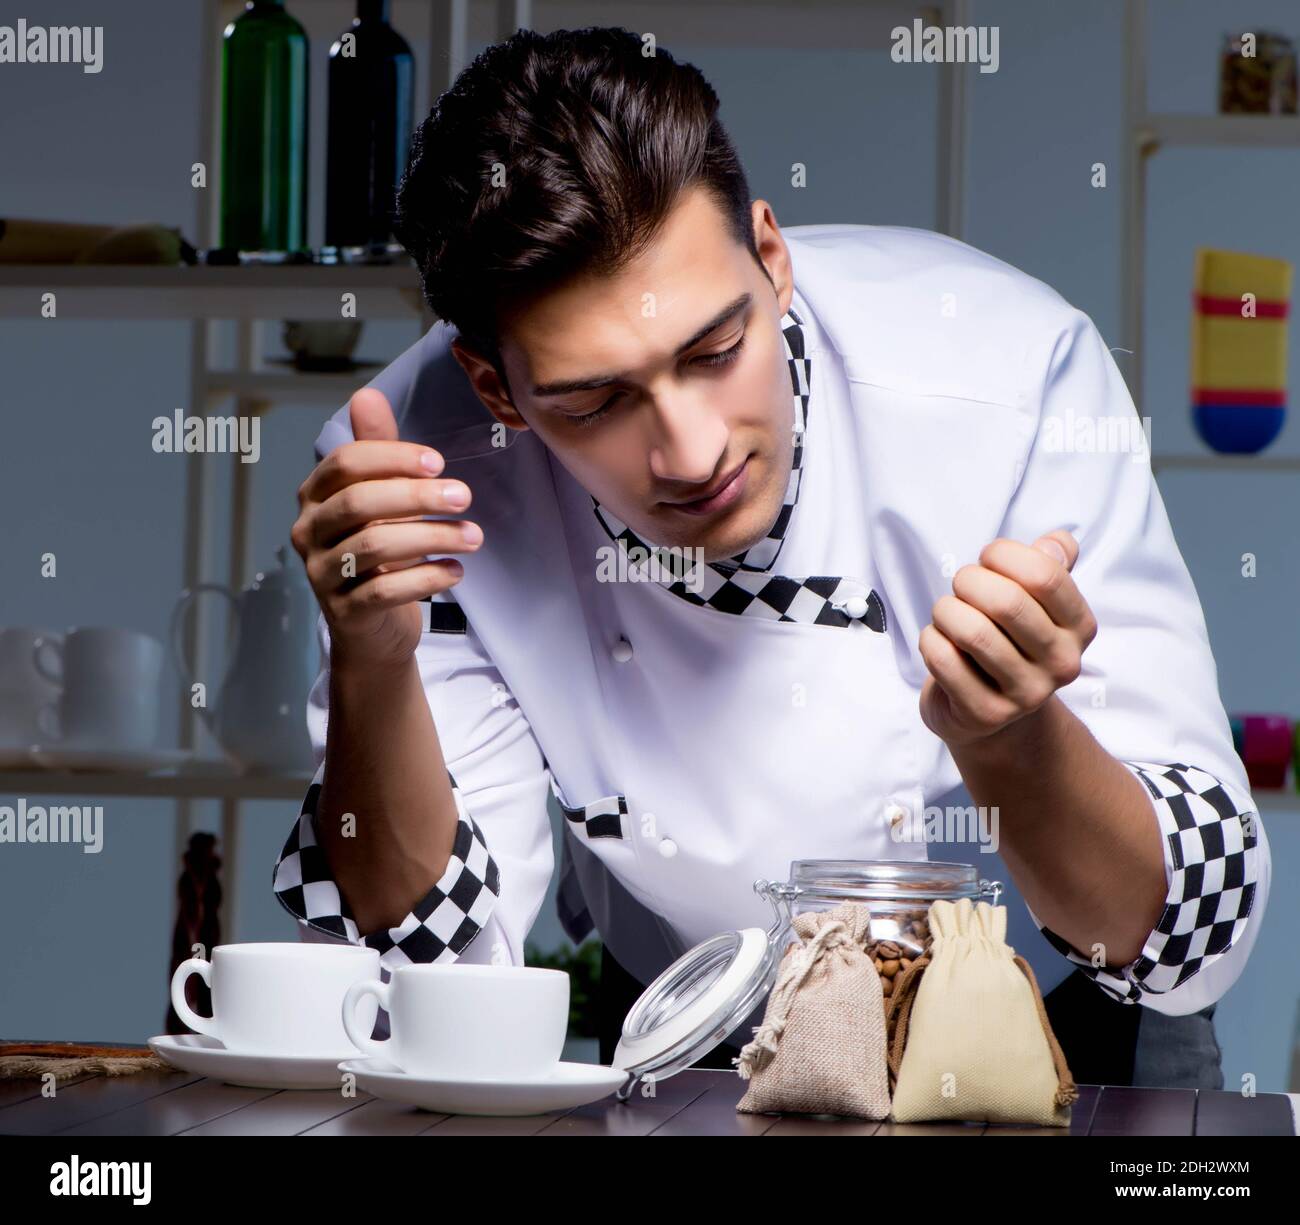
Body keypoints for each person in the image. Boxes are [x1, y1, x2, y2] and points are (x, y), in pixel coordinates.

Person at [272, 27, 1269, 1088]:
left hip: (1071, 1025)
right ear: (494, 388)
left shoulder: (1008, 375)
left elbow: (1180, 944)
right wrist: (371, 661)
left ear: (771, 254)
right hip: (705, 1045)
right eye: (595, 399)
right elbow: (420, 970)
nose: (691, 452)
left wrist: (1015, 738)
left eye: (714, 353)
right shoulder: (417, 470)